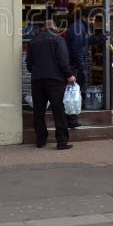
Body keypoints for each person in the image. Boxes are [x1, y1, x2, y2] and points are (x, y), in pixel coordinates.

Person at [26, 10, 76, 150]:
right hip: (55, 80)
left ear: (43, 28)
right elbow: (63, 60)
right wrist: (69, 74)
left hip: (37, 80)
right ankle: (61, 141)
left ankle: (41, 140)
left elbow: (29, 64)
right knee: (58, 111)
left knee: (39, 111)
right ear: (54, 28)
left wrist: (36, 72)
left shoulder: (33, 42)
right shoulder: (58, 39)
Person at [64, 5, 107, 127]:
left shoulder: (82, 27)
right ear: (84, 17)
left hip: (75, 64)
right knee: (73, 93)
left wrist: (99, 38)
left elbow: (86, 42)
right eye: (91, 19)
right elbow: (77, 50)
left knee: (74, 92)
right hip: (74, 65)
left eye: (94, 20)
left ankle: (72, 119)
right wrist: (82, 68)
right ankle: (71, 120)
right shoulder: (78, 28)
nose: (92, 22)